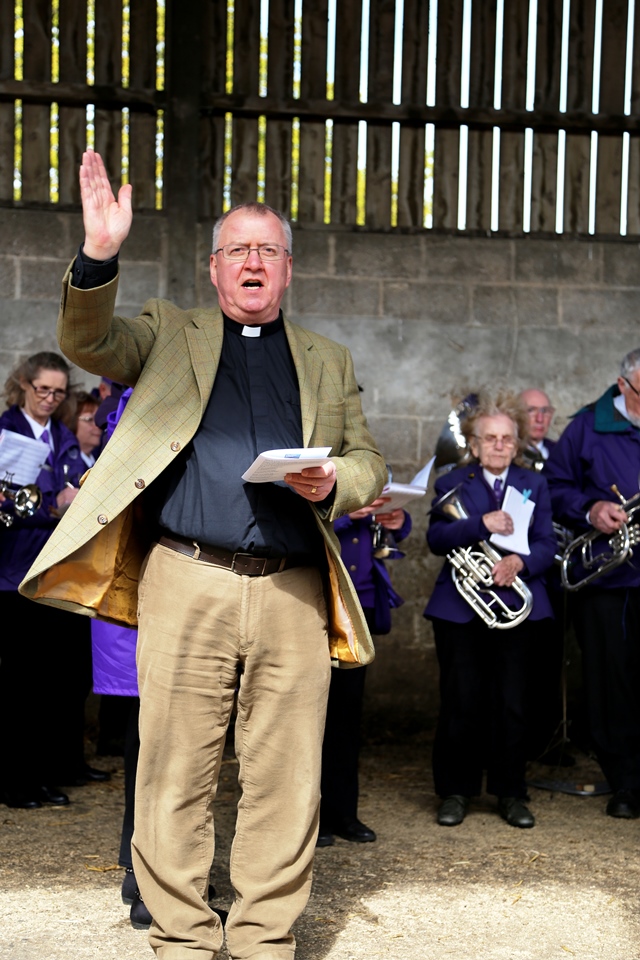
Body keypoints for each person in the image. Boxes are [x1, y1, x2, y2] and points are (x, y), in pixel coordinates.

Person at [21, 150, 387, 960]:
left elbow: (369, 458)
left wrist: (338, 482)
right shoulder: (167, 332)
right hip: (187, 577)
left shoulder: (328, 358)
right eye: (237, 250)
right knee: (174, 768)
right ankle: (181, 937)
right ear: (214, 267)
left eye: (267, 251)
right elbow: (88, 338)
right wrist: (100, 256)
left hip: (294, 590)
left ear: (288, 270)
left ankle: (263, 936)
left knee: (287, 779)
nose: (252, 262)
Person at [424, 390, 556, 829]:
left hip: (517, 609)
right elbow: (435, 541)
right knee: (461, 701)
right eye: (490, 438)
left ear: (516, 445)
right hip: (460, 611)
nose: (499, 445)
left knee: (514, 702)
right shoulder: (450, 484)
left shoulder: (534, 483)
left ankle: (511, 792)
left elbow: (547, 545)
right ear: (474, 445)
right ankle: (455, 792)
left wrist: (520, 561)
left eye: (507, 439)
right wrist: (478, 524)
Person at [545, 349, 640, 819]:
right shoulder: (585, 427)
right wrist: (591, 509)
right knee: (611, 680)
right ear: (623, 386)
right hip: (609, 577)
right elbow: (553, 487)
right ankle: (625, 781)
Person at [0, 352, 85, 808]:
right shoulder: (6, 431)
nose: (51, 399)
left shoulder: (62, 435)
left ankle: (41, 775)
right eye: (43, 390)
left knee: (48, 683)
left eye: (59, 392)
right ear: (24, 385)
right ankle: (13, 781)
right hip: (11, 574)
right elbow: (6, 507)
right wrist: (52, 506)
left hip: (54, 574)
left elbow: (77, 485)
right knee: (17, 684)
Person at [318, 498, 411, 846]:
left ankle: (344, 813)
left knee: (347, 715)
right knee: (313, 717)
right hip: (323, 600)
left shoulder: (368, 467)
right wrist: (343, 516)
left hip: (362, 603)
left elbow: (401, 525)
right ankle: (312, 817)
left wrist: (397, 520)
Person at [519, 388, 556, 467]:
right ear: (516, 414)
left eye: (545, 411)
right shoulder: (505, 453)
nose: (540, 419)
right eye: (531, 410)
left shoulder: (563, 453)